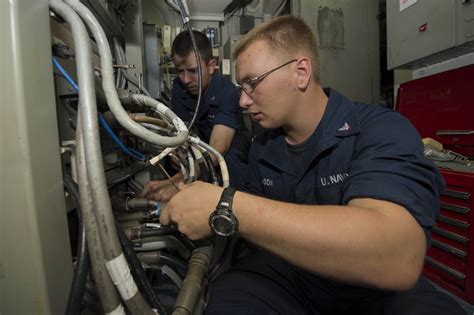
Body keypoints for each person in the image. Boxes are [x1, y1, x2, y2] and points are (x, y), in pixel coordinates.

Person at [158, 16, 466, 314]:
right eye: (241, 87)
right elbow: (238, 187)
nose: (243, 101)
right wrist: (190, 186)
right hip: (291, 279)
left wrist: (229, 207)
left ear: (301, 72)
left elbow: (396, 256)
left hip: (374, 290)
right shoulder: (262, 147)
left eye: (252, 83)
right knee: (227, 294)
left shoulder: (381, 130)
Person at [141, 30, 248, 201]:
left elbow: (217, 148)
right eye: (180, 71)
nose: (185, 79)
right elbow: (180, 132)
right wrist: (178, 156)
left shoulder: (227, 92)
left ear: (211, 66)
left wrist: (177, 182)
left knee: (228, 161)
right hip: (199, 147)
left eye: (192, 71)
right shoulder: (179, 88)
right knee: (172, 159)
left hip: (226, 148)